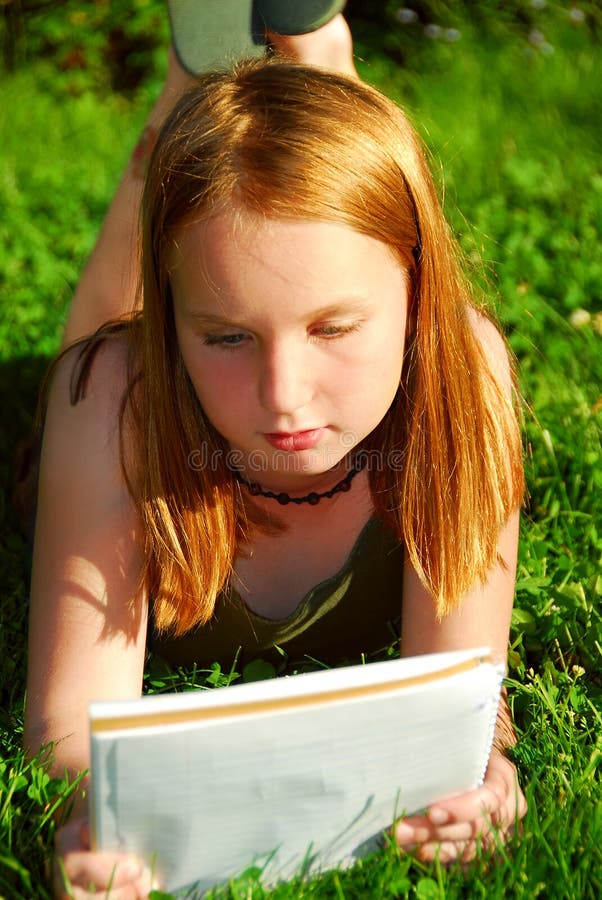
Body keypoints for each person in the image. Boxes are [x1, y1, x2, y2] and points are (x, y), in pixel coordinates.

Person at [24, 18, 527, 900]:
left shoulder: (463, 377)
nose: (285, 396)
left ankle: (314, 67)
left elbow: (472, 702)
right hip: (123, 391)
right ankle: (193, 83)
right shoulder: (118, 400)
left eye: (334, 327)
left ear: (420, 292)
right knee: (85, 363)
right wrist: (93, 818)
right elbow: (69, 728)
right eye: (225, 335)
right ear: (173, 319)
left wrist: (487, 777)